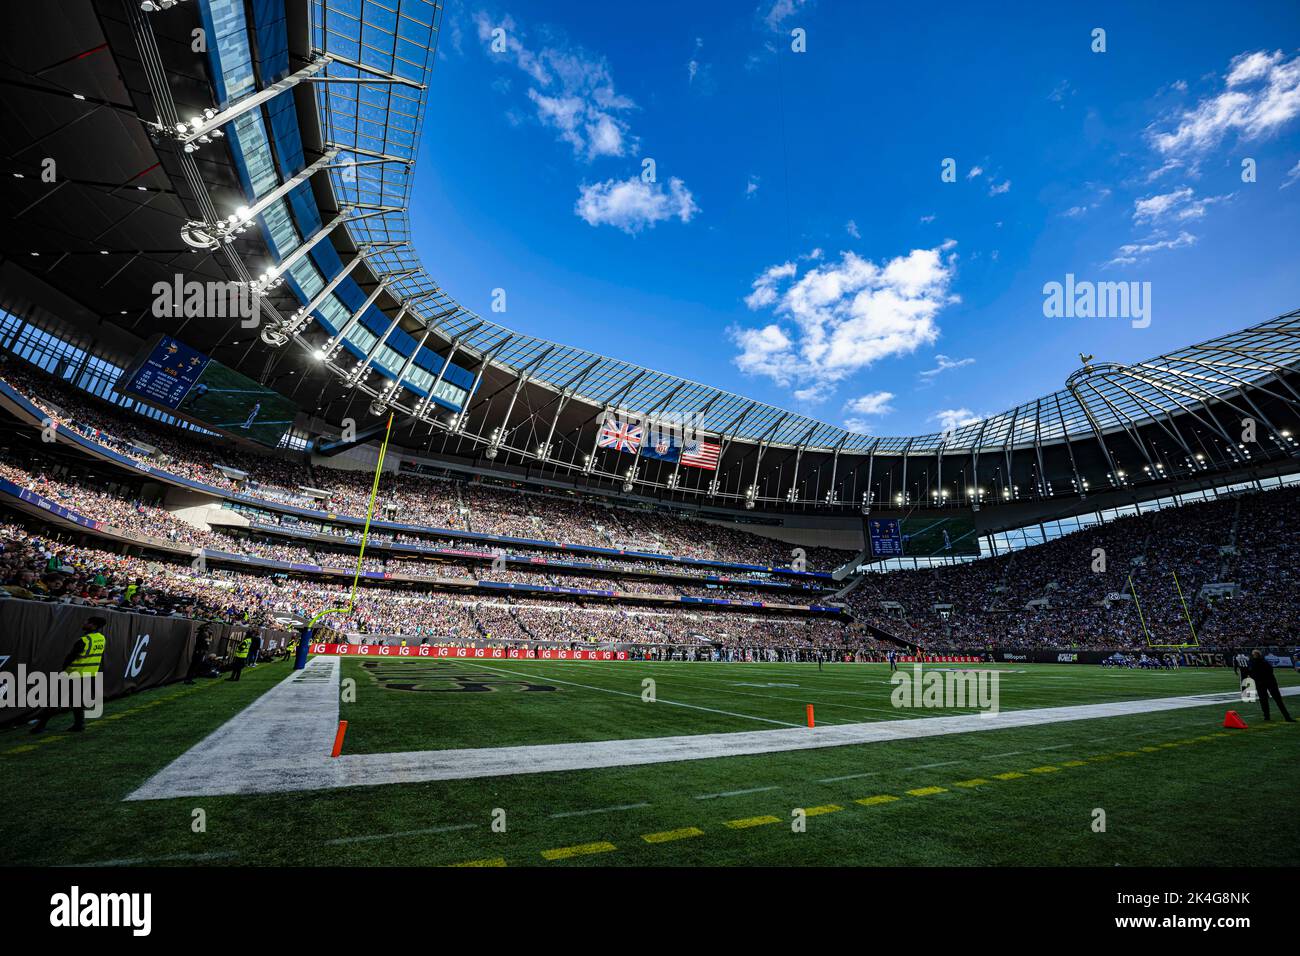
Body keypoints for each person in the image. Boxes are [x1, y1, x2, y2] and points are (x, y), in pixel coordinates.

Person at [29, 616, 107, 734]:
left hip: (74, 674)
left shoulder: (84, 640)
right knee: (77, 701)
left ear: (93, 625)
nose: (84, 622)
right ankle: (79, 724)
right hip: (90, 674)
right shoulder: (102, 639)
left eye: (87, 622)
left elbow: (70, 658)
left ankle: (40, 726)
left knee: (55, 700)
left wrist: (64, 670)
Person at [1247, 649, 1294, 722]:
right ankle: (1286, 716)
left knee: (1264, 700)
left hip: (1261, 683)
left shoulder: (1253, 662)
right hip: (1270, 682)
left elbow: (1251, 673)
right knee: (1278, 700)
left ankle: (1267, 717)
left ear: (1255, 655)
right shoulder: (1265, 662)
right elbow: (1270, 671)